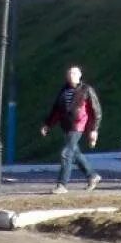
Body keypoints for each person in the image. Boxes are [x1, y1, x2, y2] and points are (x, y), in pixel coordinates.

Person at [38, 66, 104, 194]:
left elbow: (97, 111)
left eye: (74, 73)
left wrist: (94, 130)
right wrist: (47, 124)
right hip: (67, 126)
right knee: (75, 153)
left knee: (66, 153)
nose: (71, 75)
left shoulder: (86, 90)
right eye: (69, 73)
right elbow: (56, 110)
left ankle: (62, 185)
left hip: (78, 125)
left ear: (79, 75)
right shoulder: (64, 90)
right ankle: (92, 176)